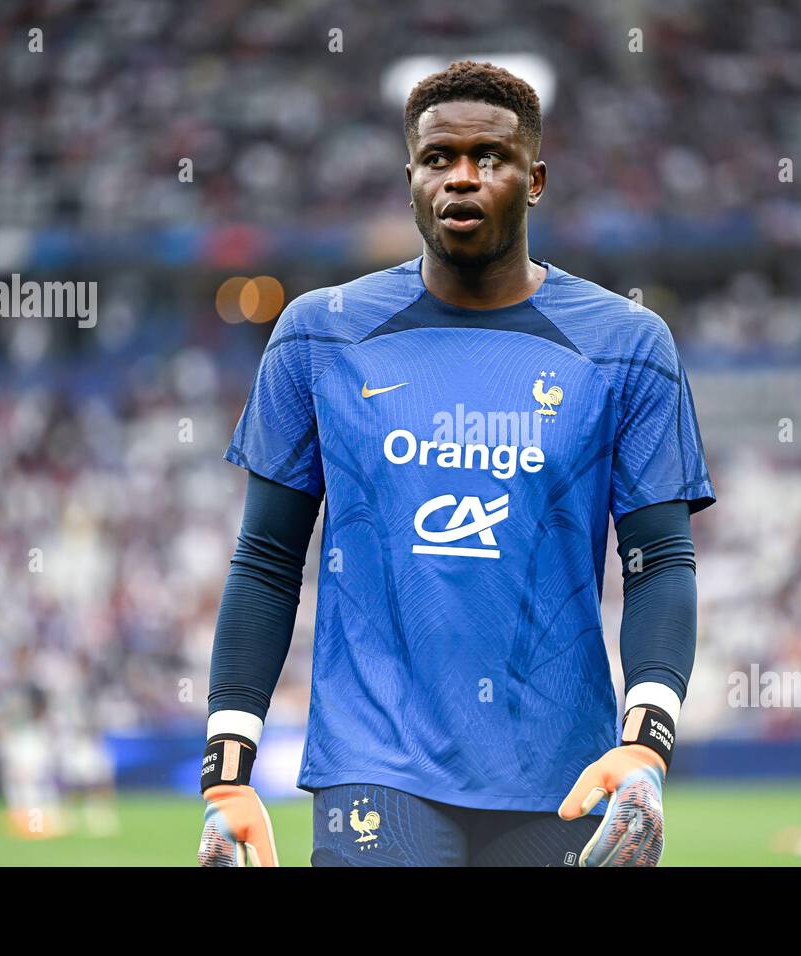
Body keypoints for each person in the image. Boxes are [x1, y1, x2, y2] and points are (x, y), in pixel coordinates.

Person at [197, 60, 714, 867]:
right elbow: (266, 560)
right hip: (376, 764)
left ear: (534, 179)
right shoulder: (317, 334)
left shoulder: (627, 344)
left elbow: (660, 562)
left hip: (561, 771)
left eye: (490, 159)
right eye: (439, 159)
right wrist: (227, 775)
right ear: (410, 178)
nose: (461, 179)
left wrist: (646, 747)